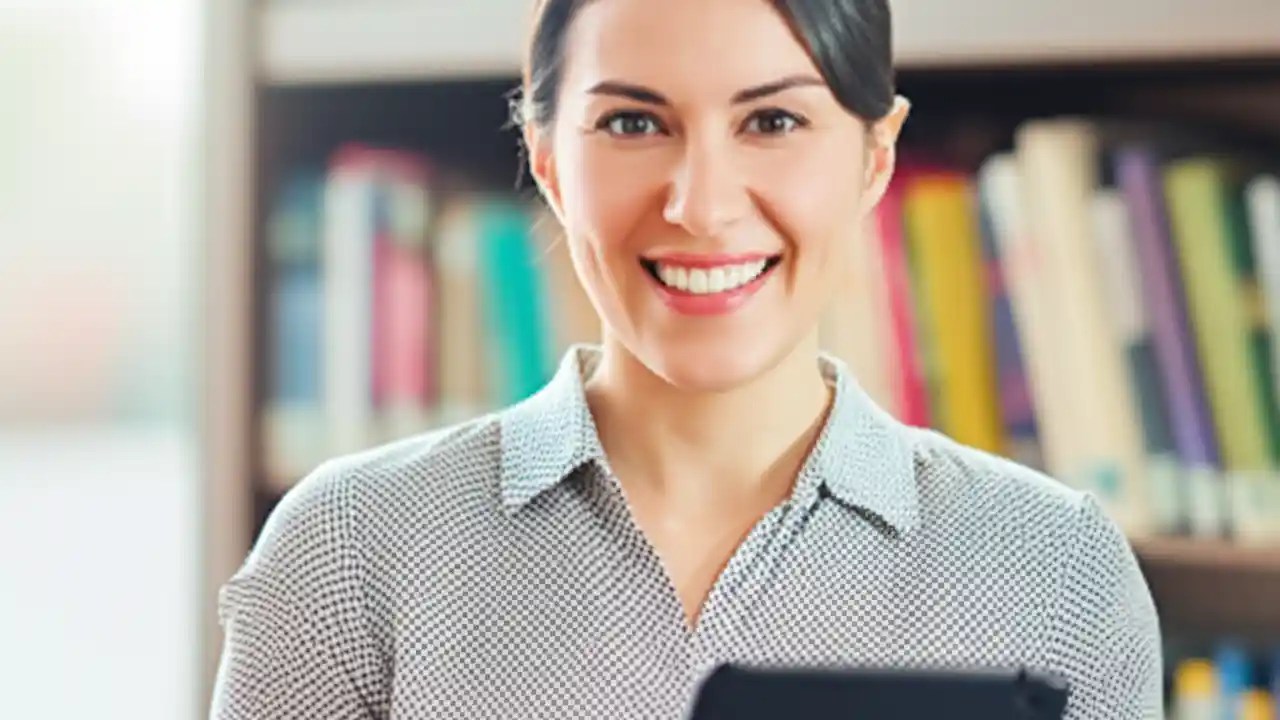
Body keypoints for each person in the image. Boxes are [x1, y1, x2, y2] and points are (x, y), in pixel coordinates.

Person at [210, 0, 1163, 718]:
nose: (701, 207)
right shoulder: (351, 548)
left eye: (773, 122)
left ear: (875, 156)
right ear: (547, 160)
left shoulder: (1054, 567)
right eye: (633, 123)